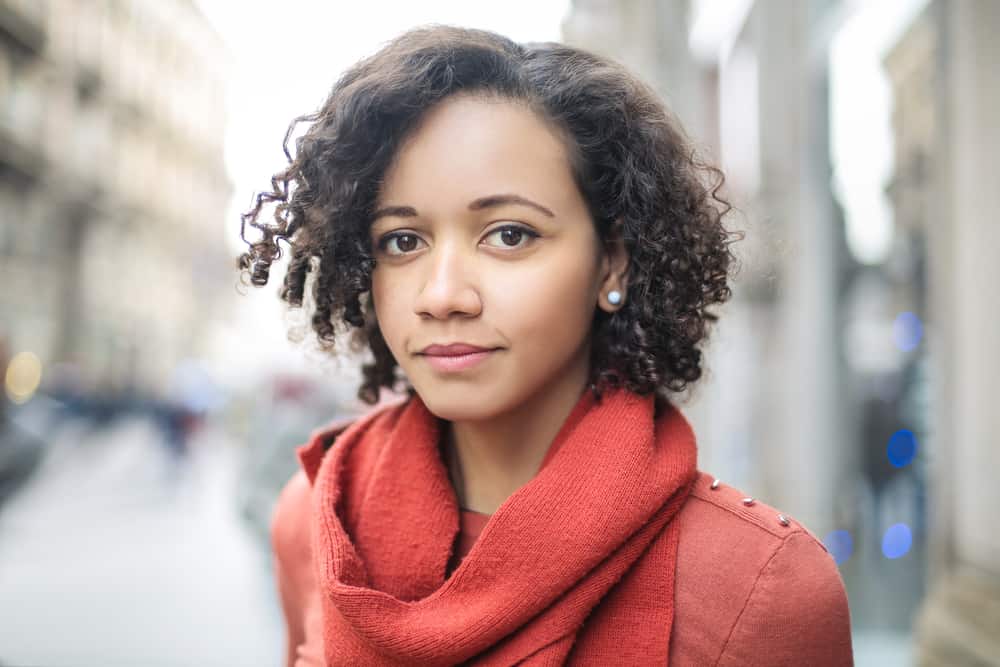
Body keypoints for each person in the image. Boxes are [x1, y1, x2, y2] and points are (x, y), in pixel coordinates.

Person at [239, 25, 853, 667]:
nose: (443, 294)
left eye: (508, 235)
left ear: (611, 263)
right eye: (403, 241)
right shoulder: (315, 517)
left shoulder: (763, 588)